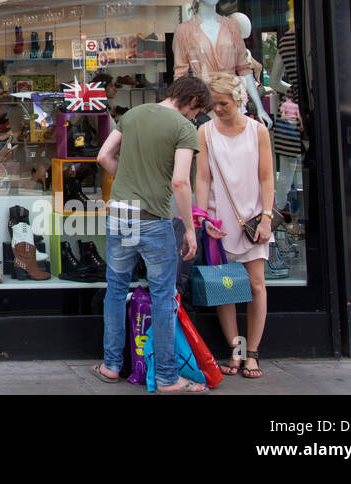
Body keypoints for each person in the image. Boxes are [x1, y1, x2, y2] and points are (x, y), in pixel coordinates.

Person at [92, 74, 212, 393]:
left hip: (120, 213)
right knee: (162, 296)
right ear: (193, 102)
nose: (195, 118)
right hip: (153, 218)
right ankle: (167, 378)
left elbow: (103, 156)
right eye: (197, 112)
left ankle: (111, 365)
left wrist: (129, 179)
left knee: (116, 289)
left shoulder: (132, 114)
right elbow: (180, 183)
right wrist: (189, 227)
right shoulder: (184, 128)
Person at [196, 74, 275, 380]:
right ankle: (236, 350)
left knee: (256, 284)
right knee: (225, 286)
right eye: (213, 104)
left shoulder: (257, 131)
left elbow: (267, 177)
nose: (217, 109)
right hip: (220, 219)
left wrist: (267, 216)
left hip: (252, 215)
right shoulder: (205, 132)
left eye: (223, 103)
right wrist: (202, 216)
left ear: (239, 100)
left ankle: (252, 351)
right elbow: (202, 177)